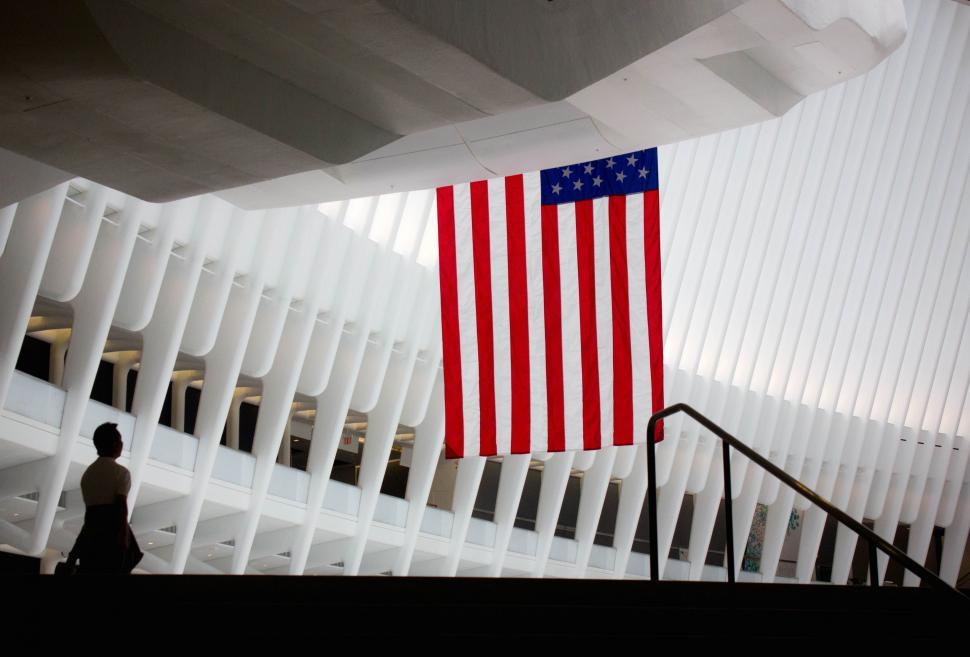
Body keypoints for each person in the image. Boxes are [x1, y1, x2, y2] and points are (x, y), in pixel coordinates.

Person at [64, 422, 143, 574]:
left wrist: (74, 554)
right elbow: (121, 510)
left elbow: (90, 519)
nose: (122, 444)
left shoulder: (88, 475)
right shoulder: (121, 473)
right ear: (114, 444)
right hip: (112, 540)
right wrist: (123, 540)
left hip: (91, 542)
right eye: (120, 440)